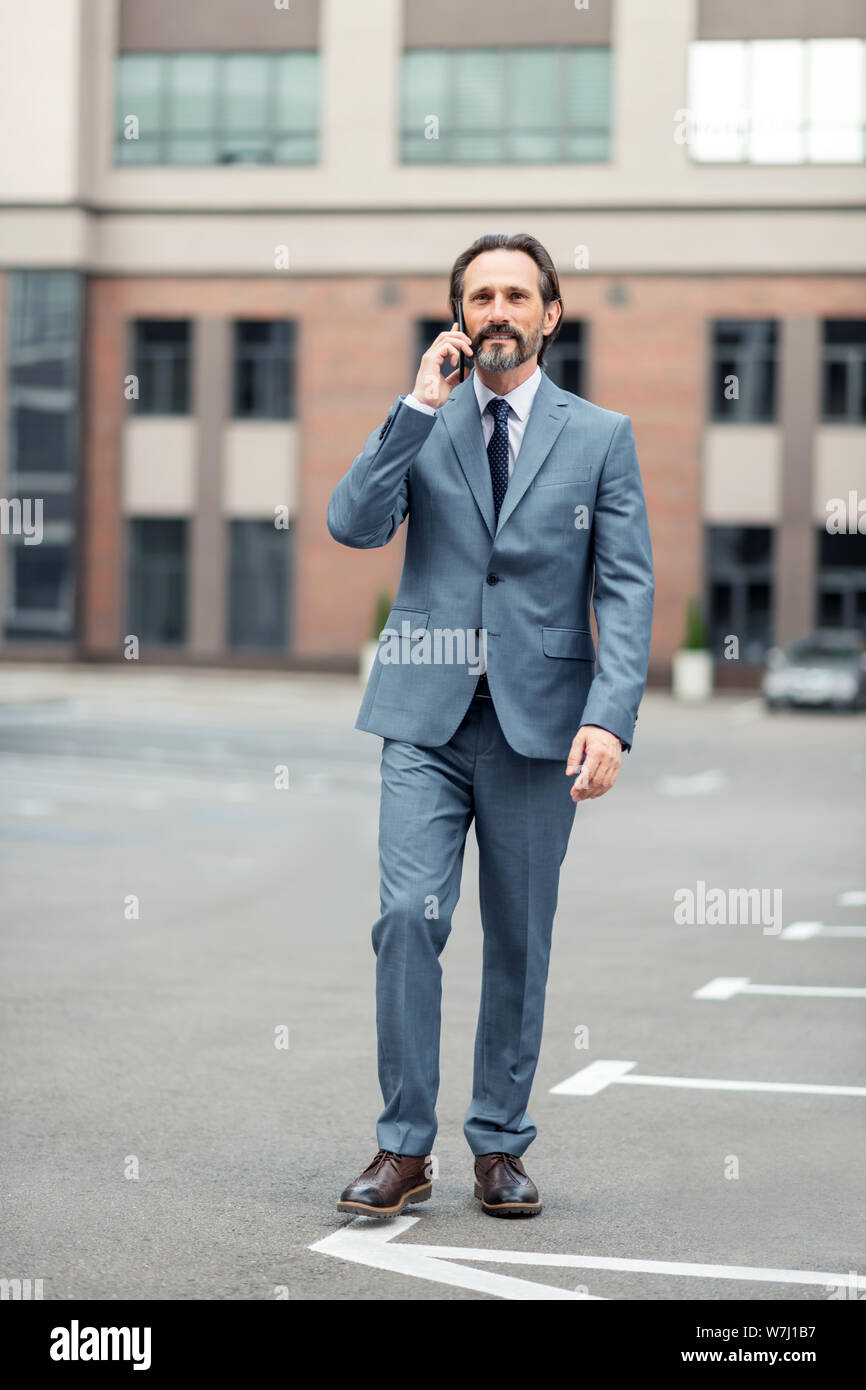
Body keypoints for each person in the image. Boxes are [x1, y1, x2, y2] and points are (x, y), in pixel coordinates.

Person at [326, 232, 654, 1218]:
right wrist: (416, 406)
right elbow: (350, 523)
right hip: (423, 720)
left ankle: (500, 1146)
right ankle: (402, 1147)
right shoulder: (424, 420)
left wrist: (610, 716)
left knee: (517, 937)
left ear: (550, 314)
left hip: (540, 725)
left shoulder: (601, 435)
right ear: (459, 315)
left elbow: (627, 586)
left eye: (517, 294)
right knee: (404, 918)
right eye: (480, 296)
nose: (498, 310)